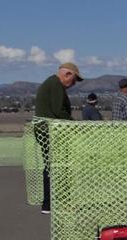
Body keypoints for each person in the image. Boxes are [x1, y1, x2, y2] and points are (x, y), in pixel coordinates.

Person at [34, 62, 83, 213]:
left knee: (51, 166)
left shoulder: (52, 83)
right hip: (50, 132)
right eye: (74, 80)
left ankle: (50, 203)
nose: (73, 84)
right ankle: (52, 203)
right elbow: (58, 110)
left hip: (46, 131)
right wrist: (74, 124)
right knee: (56, 167)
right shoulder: (56, 84)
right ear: (67, 74)